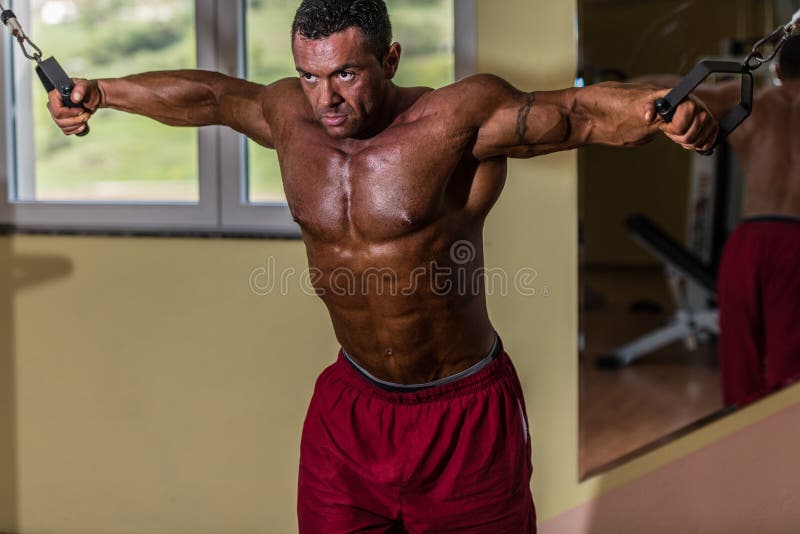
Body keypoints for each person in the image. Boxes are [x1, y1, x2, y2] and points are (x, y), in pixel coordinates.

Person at [47, 1, 717, 531]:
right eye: (309, 74)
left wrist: (663, 109)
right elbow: (214, 97)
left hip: (462, 417)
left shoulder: (456, 120)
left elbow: (574, 114)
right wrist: (101, 92)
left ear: (389, 58)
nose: (323, 98)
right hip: (353, 410)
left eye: (345, 72)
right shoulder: (290, 115)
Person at [642, 35, 800, 408]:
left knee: (740, 366)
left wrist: (597, 87)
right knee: (791, 371)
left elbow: (670, 89)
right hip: (796, 241)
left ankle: (741, 458)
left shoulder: (750, 98)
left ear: (776, 69)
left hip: (747, 241)